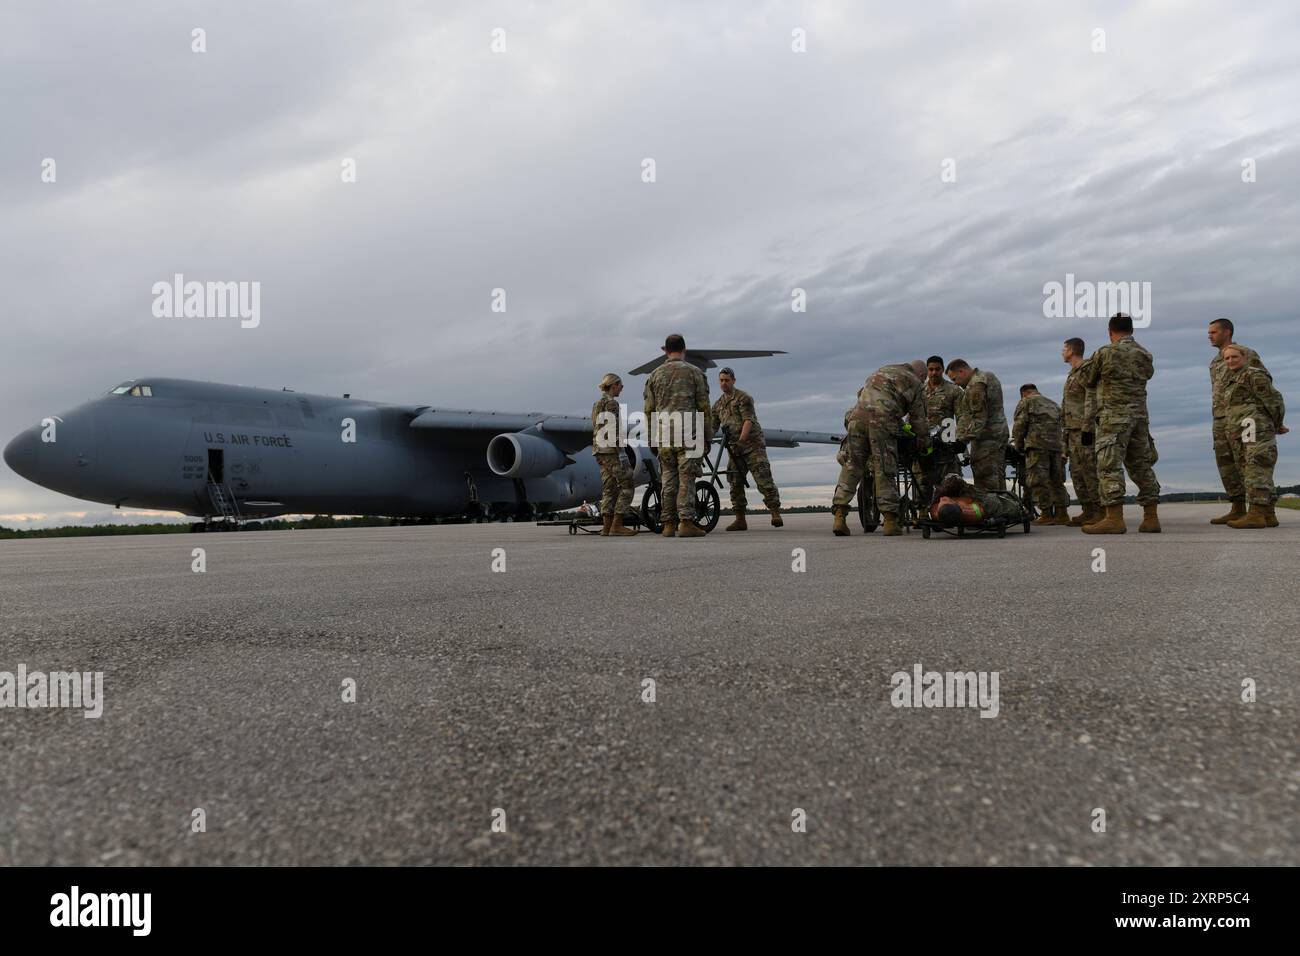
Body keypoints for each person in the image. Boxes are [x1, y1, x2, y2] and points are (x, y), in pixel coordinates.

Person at [1079, 313, 1161, 534]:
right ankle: (1151, 517)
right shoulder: (1144, 354)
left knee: (1109, 466)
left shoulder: (1105, 353)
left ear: (1110, 331)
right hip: (1139, 418)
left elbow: (1087, 379)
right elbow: (1149, 375)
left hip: (1113, 418)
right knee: (1141, 465)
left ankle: (1114, 518)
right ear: (1132, 330)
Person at [842, 361, 929, 536]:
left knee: (852, 465)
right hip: (882, 420)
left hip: (855, 419)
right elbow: (918, 419)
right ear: (921, 375)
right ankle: (890, 521)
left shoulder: (882, 370)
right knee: (884, 466)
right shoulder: (915, 382)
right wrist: (923, 441)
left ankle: (839, 516)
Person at [643, 334, 712, 538]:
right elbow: (703, 408)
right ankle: (686, 522)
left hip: (664, 435)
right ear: (684, 349)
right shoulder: (695, 373)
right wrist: (707, 436)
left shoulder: (654, 375)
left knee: (668, 480)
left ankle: (668, 524)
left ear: (665, 350)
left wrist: (651, 439)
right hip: (689, 434)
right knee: (687, 479)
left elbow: (649, 411)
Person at [1207, 318, 1270, 524]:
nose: (1209, 336)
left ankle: (1263, 510)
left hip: (1244, 418)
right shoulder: (1216, 361)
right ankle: (1238, 506)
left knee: (1251, 461)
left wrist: (1269, 416)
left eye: (1214, 332)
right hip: (1221, 419)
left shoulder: (1246, 353)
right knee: (1226, 464)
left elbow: (1262, 382)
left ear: (1227, 332)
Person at [1219, 344, 1287, 529]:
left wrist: (1278, 424)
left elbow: (1274, 400)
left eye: (1235, 357)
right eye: (1227, 358)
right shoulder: (1233, 379)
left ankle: (1256, 514)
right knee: (1250, 469)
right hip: (1243, 431)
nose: (1231, 361)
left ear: (1244, 357)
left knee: (1257, 468)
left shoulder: (1254, 375)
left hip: (1258, 428)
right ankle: (1268, 514)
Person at [712, 367, 782, 530]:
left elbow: (748, 421)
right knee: (734, 482)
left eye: (727, 380)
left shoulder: (744, 398)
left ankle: (775, 512)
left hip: (752, 445)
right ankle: (740, 519)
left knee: (763, 479)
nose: (724, 383)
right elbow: (712, 426)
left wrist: (741, 441)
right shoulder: (718, 405)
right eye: (721, 380)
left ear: (733, 381)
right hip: (735, 449)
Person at [945, 360, 1009, 492]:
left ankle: (992, 511)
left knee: (985, 480)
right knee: (998, 478)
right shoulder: (988, 376)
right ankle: (1005, 509)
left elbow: (979, 417)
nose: (955, 383)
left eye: (955, 379)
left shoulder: (975, 385)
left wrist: (963, 441)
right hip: (998, 434)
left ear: (961, 371)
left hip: (986, 439)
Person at [1012, 384, 1071, 525]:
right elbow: (1063, 427)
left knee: (1038, 481)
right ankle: (1062, 514)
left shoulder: (1026, 402)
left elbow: (1019, 425)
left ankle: (1046, 514)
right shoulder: (1054, 405)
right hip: (1056, 447)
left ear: (1024, 393)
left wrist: (1019, 446)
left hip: (1036, 446)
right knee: (1056, 481)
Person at [1061, 338, 1100, 526]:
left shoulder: (1085, 370)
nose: (1062, 352)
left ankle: (1100, 511)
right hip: (1072, 432)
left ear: (1071, 350)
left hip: (1085, 431)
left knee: (1090, 471)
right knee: (1077, 473)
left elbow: (1092, 398)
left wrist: (1088, 427)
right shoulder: (1071, 374)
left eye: (1064, 349)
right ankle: (1088, 510)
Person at [914, 355, 964, 503]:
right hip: (922, 443)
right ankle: (922, 512)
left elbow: (962, 417)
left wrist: (960, 442)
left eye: (937, 369)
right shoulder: (918, 390)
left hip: (946, 442)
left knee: (949, 479)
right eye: (930, 369)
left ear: (942, 370)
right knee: (921, 478)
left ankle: (949, 509)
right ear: (927, 371)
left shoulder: (954, 391)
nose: (934, 373)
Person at [591, 373, 636, 535]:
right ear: (614, 385)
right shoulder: (612, 404)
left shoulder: (596, 404)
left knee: (609, 488)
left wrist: (597, 452)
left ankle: (607, 526)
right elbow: (614, 430)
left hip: (600, 451)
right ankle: (617, 524)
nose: (621, 389)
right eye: (620, 386)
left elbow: (595, 428)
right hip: (612, 451)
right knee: (628, 485)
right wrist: (622, 452)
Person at [830, 386, 869, 536]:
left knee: (848, 478)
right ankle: (890, 519)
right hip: (877, 457)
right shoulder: (884, 412)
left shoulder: (851, 414)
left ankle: (839, 516)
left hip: (853, 457)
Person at [929, 473, 1028, 526]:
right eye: (945, 500)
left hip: (988, 504)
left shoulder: (937, 512)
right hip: (994, 505)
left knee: (953, 482)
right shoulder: (968, 508)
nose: (943, 499)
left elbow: (935, 506)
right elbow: (979, 500)